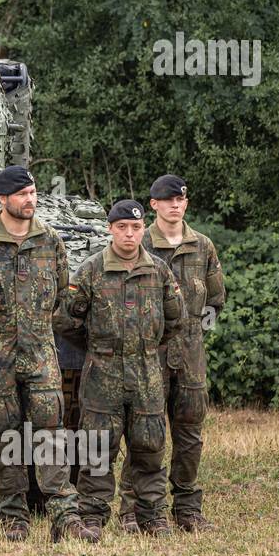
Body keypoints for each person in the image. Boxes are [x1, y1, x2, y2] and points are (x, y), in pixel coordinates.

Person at [0, 165, 96, 542]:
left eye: (34, 192)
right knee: (2, 434)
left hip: (41, 356)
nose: (31, 200)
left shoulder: (51, 240)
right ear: (3, 199)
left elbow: (61, 297)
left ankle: (65, 515)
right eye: (23, 194)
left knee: (51, 433)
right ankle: (14, 516)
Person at [54, 199, 184, 536]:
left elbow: (176, 319)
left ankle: (152, 515)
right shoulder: (92, 270)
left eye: (136, 227)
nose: (129, 234)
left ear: (144, 229)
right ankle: (93, 515)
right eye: (122, 227)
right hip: (103, 375)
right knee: (98, 449)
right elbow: (67, 321)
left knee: (150, 448)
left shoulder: (158, 270)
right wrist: (99, 347)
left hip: (146, 374)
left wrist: (144, 347)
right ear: (111, 229)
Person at [117, 174, 225, 533]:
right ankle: (133, 509)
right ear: (154, 206)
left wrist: (193, 335)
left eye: (180, 200)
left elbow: (215, 299)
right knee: (144, 433)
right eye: (167, 200)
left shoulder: (202, 246)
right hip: (149, 356)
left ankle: (188, 510)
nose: (175, 205)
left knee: (190, 433)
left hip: (190, 357)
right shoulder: (140, 244)